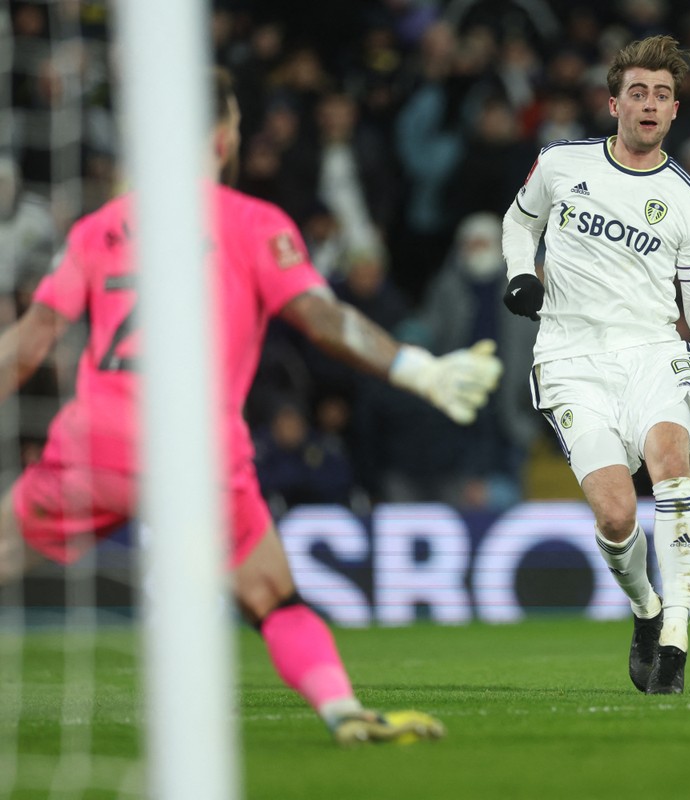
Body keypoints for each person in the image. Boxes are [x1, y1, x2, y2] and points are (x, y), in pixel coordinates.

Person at [0, 69, 503, 745]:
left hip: (96, 448)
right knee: (272, 598)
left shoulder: (98, 228)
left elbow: (29, 344)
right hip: (194, 457)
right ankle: (341, 708)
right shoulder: (252, 224)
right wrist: (415, 367)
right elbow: (322, 320)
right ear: (218, 137)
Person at [500, 35, 690, 695]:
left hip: (651, 351)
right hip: (570, 353)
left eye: (661, 95)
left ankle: (677, 638)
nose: (649, 104)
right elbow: (518, 222)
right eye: (637, 92)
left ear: (673, 113)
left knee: (671, 458)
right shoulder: (561, 165)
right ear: (613, 103)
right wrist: (522, 274)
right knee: (615, 516)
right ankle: (646, 609)